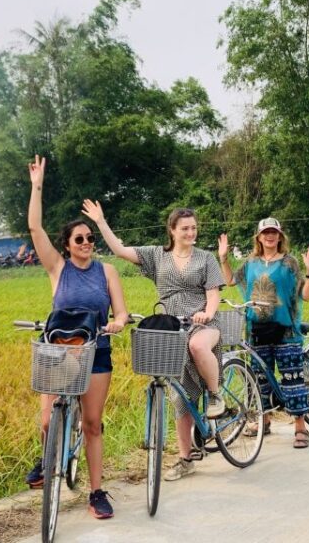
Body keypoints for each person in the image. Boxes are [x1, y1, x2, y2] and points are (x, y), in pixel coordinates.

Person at [82, 200, 225, 482]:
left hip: (201, 324)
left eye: (194, 228)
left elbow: (213, 293)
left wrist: (207, 313)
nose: (190, 233)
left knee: (197, 346)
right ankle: (185, 458)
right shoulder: (157, 256)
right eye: (185, 228)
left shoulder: (206, 258)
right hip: (170, 327)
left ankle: (215, 394)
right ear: (172, 230)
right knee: (179, 398)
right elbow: (120, 250)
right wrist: (100, 222)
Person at [24, 156, 128, 519]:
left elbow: (122, 312)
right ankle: (47, 456)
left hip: (96, 350)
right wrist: (37, 186)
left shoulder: (107, 271)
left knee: (92, 423)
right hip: (59, 352)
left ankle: (97, 491)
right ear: (67, 245)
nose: (86, 243)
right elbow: (35, 228)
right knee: (49, 420)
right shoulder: (58, 268)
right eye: (79, 238)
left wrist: (117, 323)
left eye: (90, 238)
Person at [218, 218, 309, 448]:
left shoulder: (289, 263)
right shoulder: (251, 263)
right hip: (257, 330)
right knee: (260, 380)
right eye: (266, 232)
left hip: (286, 330)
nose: (270, 236)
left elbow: (305, 295)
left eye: (274, 232)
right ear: (259, 237)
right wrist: (223, 257)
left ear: (280, 236)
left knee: (292, 378)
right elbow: (230, 280)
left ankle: (300, 427)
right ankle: (264, 421)